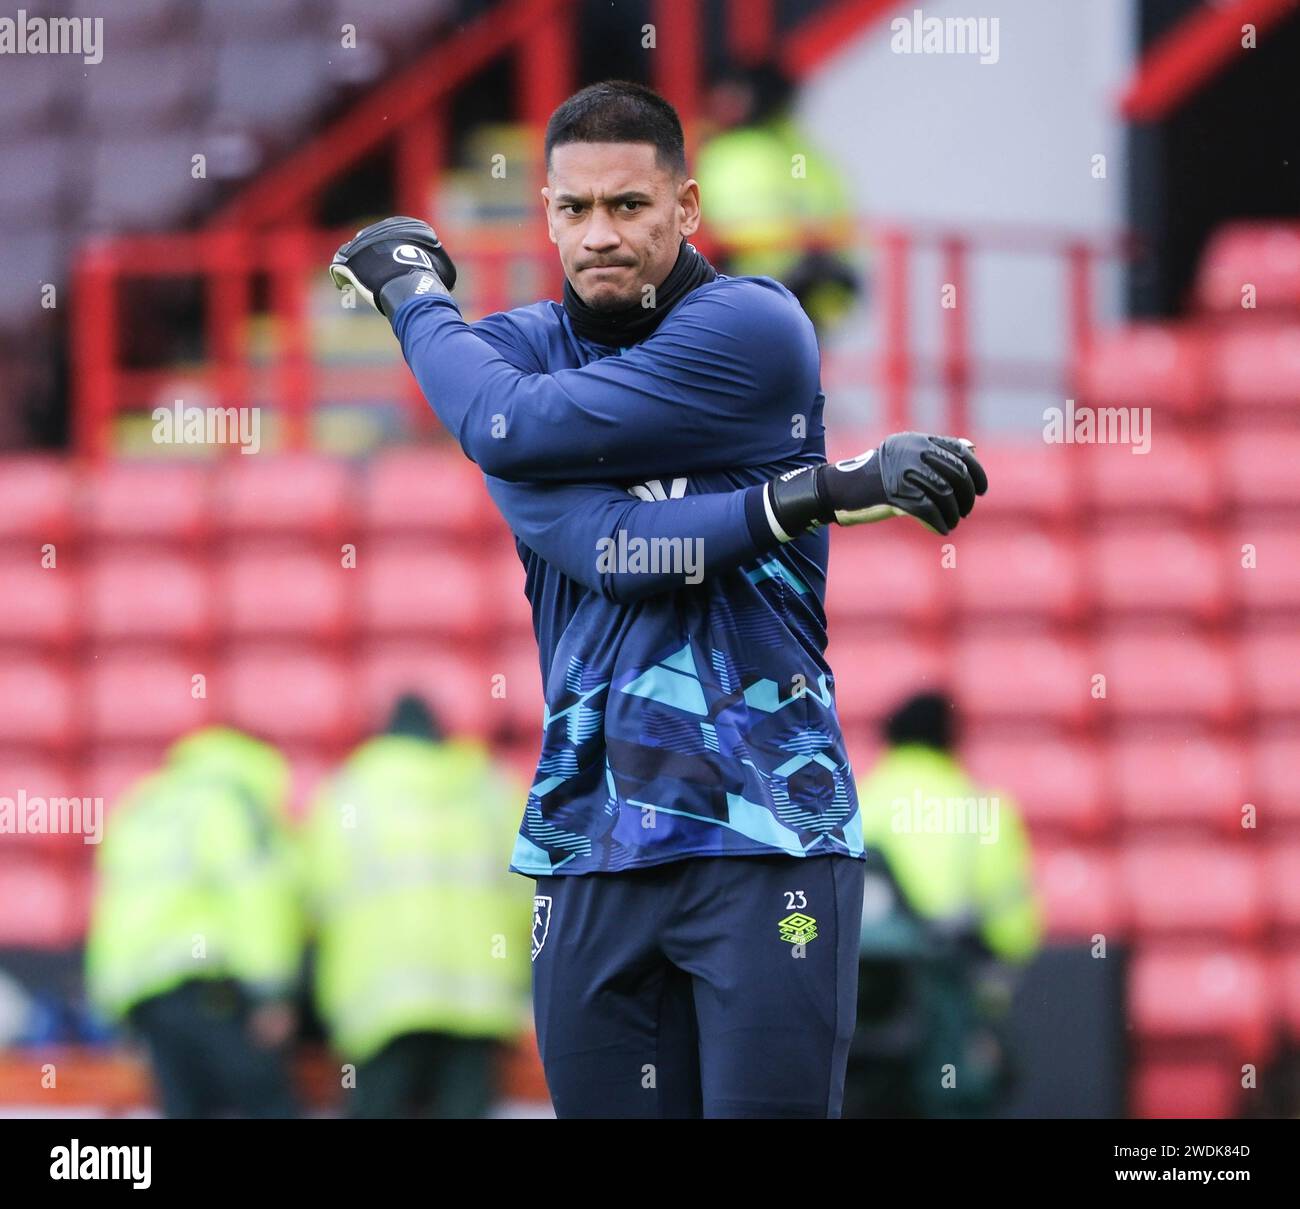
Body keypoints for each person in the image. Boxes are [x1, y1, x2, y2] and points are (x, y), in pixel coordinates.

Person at [327, 80, 988, 1118]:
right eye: (574, 209)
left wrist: (412, 296)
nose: (600, 234)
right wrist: (816, 492)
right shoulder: (507, 375)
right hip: (589, 838)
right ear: (545, 213)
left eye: (629, 206)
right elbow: (619, 548)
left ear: (685, 209)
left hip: (766, 828)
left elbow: (518, 437)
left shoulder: (754, 328)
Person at [301, 695, 532, 1119]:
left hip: (382, 1000)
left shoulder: (349, 791)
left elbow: (315, 897)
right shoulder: (490, 789)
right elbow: (527, 894)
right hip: (477, 998)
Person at [84, 727, 303, 1119]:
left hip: (144, 995)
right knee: (269, 1104)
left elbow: (110, 910)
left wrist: (114, 1009)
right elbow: (258, 895)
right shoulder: (233, 802)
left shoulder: (141, 806)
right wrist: (271, 992)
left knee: (185, 1109)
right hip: (209, 986)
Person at [845, 692, 1042, 1119]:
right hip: (939, 1019)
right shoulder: (983, 808)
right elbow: (1015, 933)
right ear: (951, 740)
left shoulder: (853, 801)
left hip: (855, 1023)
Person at [694, 60, 862, 339]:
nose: (724, 101)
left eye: (735, 93)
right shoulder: (807, 152)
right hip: (814, 291)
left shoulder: (724, 150)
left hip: (758, 287)